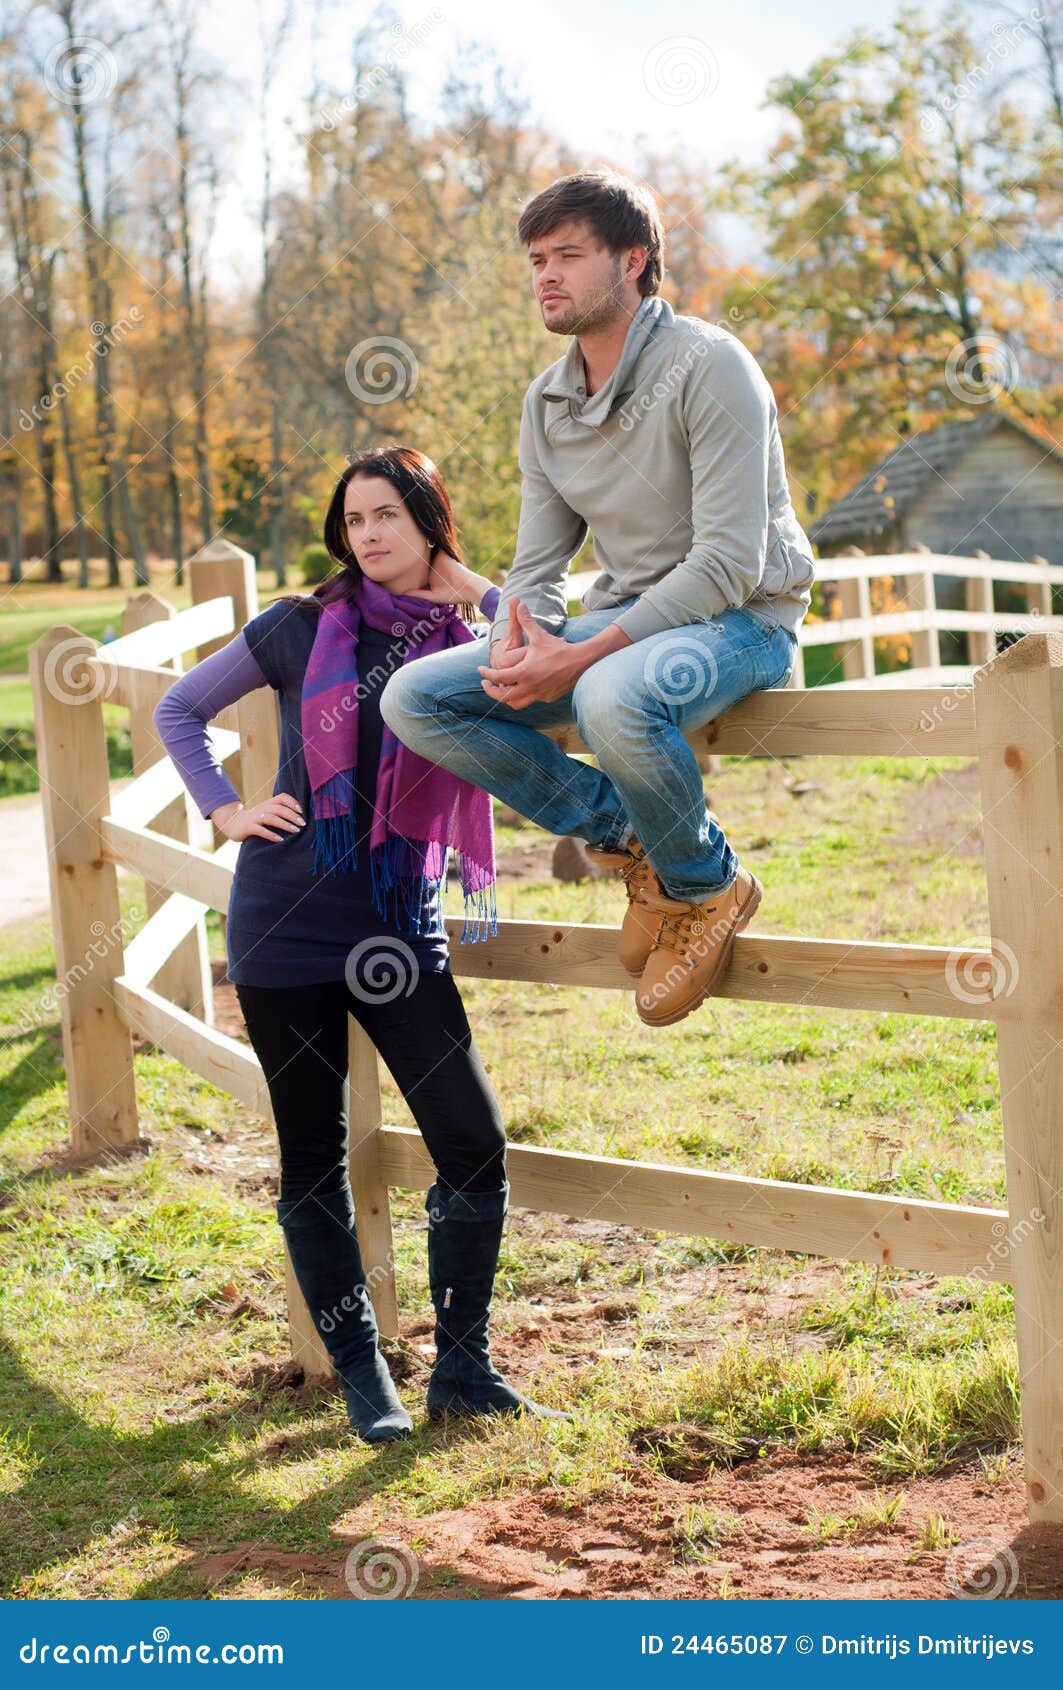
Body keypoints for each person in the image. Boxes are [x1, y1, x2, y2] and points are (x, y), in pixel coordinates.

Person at [153, 447, 567, 1444]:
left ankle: (462, 1367)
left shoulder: (470, 639)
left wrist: (464, 585)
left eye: (389, 515)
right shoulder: (302, 627)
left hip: (401, 927)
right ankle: (361, 1375)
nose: (369, 535)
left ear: (429, 519)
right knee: (314, 1157)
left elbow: (549, 639)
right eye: (354, 519)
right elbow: (180, 709)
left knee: (470, 1137)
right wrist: (225, 812)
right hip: (284, 932)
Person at [380, 171, 815, 1029]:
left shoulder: (710, 364)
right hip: (626, 624)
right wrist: (521, 641)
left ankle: (706, 886)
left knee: (611, 695)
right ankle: (639, 847)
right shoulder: (545, 400)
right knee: (415, 696)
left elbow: (730, 560)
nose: (545, 274)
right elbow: (539, 563)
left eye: (568, 256)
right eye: (536, 259)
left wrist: (577, 657)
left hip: (743, 620)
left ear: (633, 259)